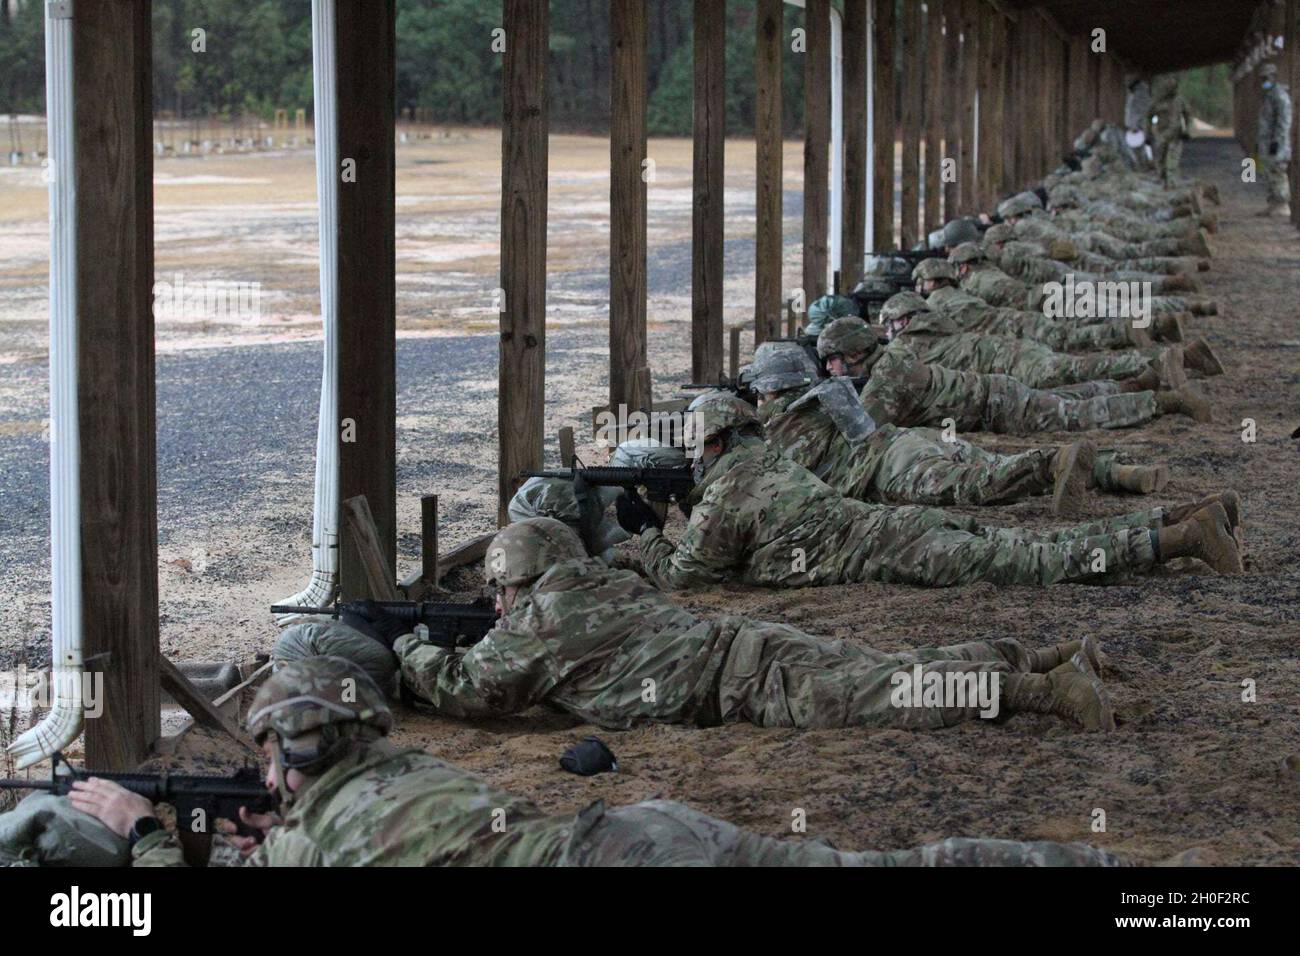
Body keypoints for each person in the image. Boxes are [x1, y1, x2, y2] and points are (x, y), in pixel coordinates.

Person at [63, 656, 1130, 867]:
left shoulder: (321, 833)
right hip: (644, 827)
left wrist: (141, 831)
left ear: (284, 760)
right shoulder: (409, 772)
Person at [399, 518, 1115, 730]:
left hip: (744, 684)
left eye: (499, 591)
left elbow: (478, 690)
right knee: (888, 665)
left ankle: (1040, 694)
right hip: (751, 645)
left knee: (893, 693)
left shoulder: (544, 620)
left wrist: (408, 650)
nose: (494, 605)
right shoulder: (604, 580)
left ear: (519, 582)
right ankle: (1039, 654)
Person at [625, 393, 1243, 592]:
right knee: (1031, 541)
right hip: (894, 526)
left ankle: (1182, 538)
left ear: (712, 443)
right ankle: (1180, 515)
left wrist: (645, 537)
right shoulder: (763, 460)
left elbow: (687, 578)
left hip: (891, 547)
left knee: (1034, 560)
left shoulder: (728, 489)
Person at [816, 316, 1212, 433]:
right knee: (1071, 399)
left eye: (832, 360)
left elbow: (863, 431)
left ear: (853, 353)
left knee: (1077, 416)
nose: (830, 369)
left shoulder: (887, 376)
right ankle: (1137, 383)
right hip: (998, 394)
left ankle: (1163, 402)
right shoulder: (892, 356)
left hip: (999, 406)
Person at [1257, 62, 1293, 217]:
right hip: (1268, 142)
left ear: (1273, 76)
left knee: (1278, 171)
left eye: (1266, 77)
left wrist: (1276, 142)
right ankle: (1273, 203)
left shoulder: (1279, 95)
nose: (1263, 81)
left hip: (1277, 143)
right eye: (1262, 78)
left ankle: (1283, 204)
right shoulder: (1269, 95)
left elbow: (1284, 121)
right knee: (1270, 172)